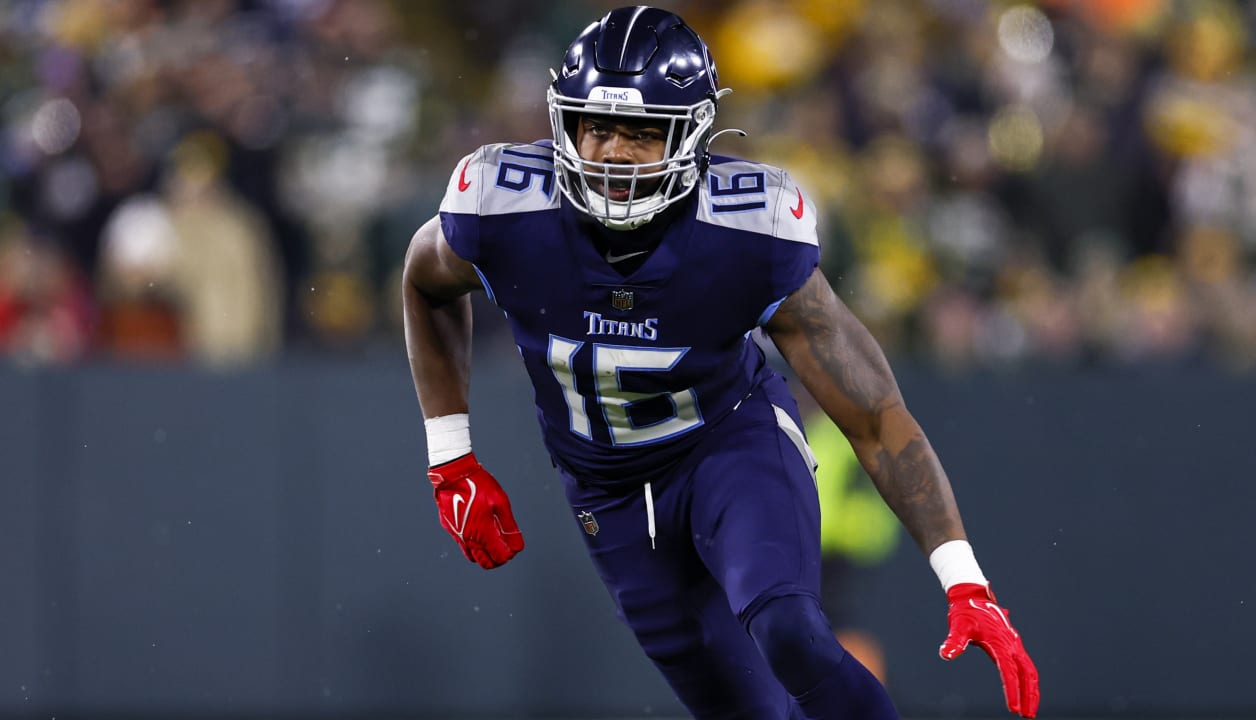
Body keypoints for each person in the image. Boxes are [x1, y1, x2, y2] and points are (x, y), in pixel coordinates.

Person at [402, 6, 1039, 719]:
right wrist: (450, 456)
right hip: (604, 493)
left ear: (693, 135)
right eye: (597, 126)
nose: (613, 151)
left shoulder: (747, 229)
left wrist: (965, 581)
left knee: (791, 632)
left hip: (727, 447)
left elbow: (875, 414)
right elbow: (425, 283)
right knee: (747, 713)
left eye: (643, 133)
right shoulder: (499, 206)